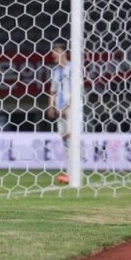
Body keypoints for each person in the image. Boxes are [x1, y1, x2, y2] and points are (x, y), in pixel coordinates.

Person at [47, 42, 71, 185]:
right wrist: (51, 106)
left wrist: (68, 106)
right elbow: (53, 91)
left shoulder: (73, 69)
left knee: (71, 138)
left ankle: (73, 172)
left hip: (72, 109)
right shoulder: (56, 71)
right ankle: (69, 172)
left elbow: (77, 91)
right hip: (59, 110)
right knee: (64, 140)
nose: (53, 55)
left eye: (56, 51)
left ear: (63, 52)